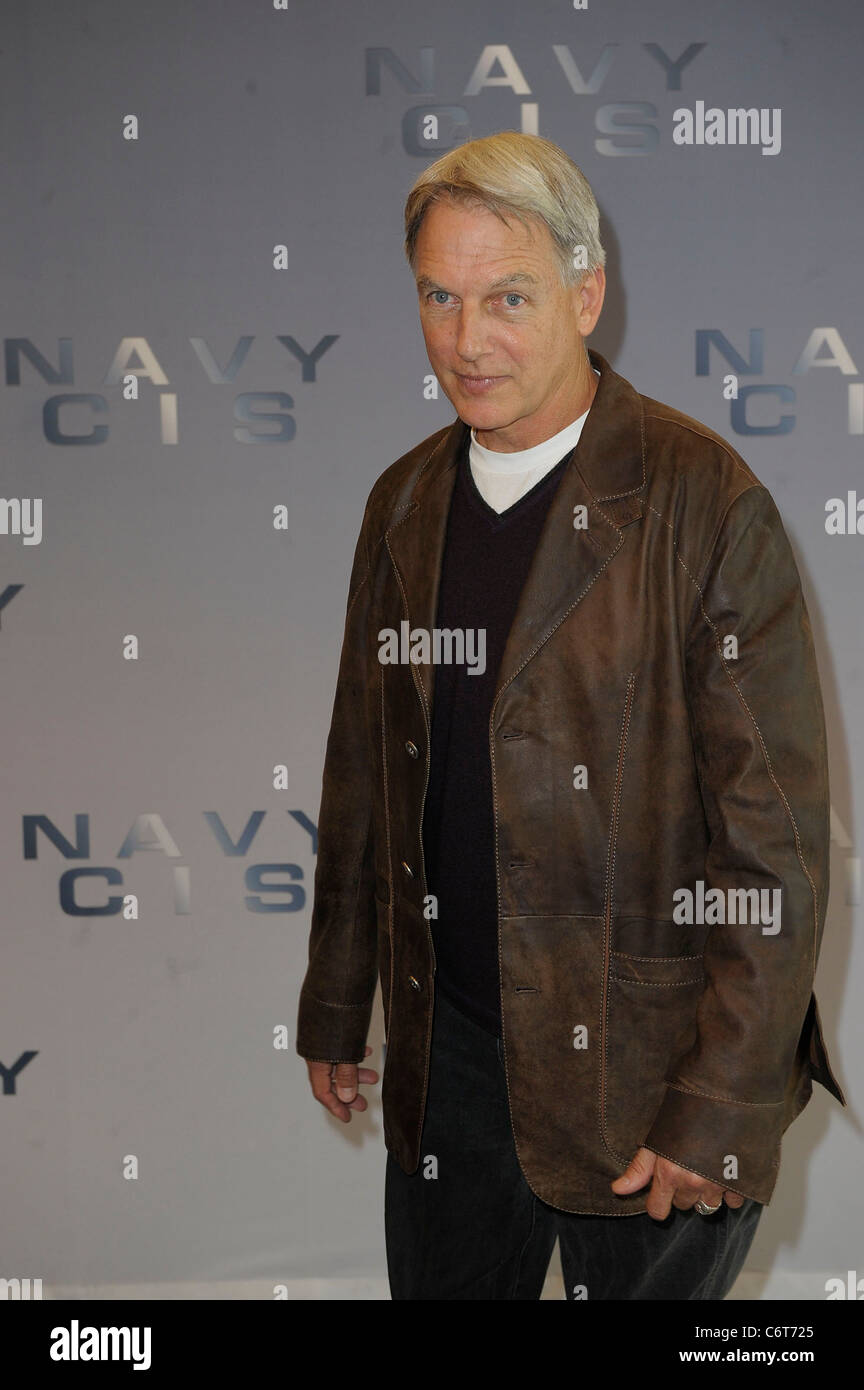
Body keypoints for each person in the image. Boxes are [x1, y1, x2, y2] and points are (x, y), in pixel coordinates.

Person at [296, 130, 845, 1300]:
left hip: (653, 1075)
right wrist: (340, 997)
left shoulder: (706, 504)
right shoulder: (401, 503)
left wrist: (721, 1102)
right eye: (439, 297)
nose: (465, 339)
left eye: (507, 296)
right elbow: (364, 774)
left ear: (587, 293)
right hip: (454, 1059)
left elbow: (776, 844)